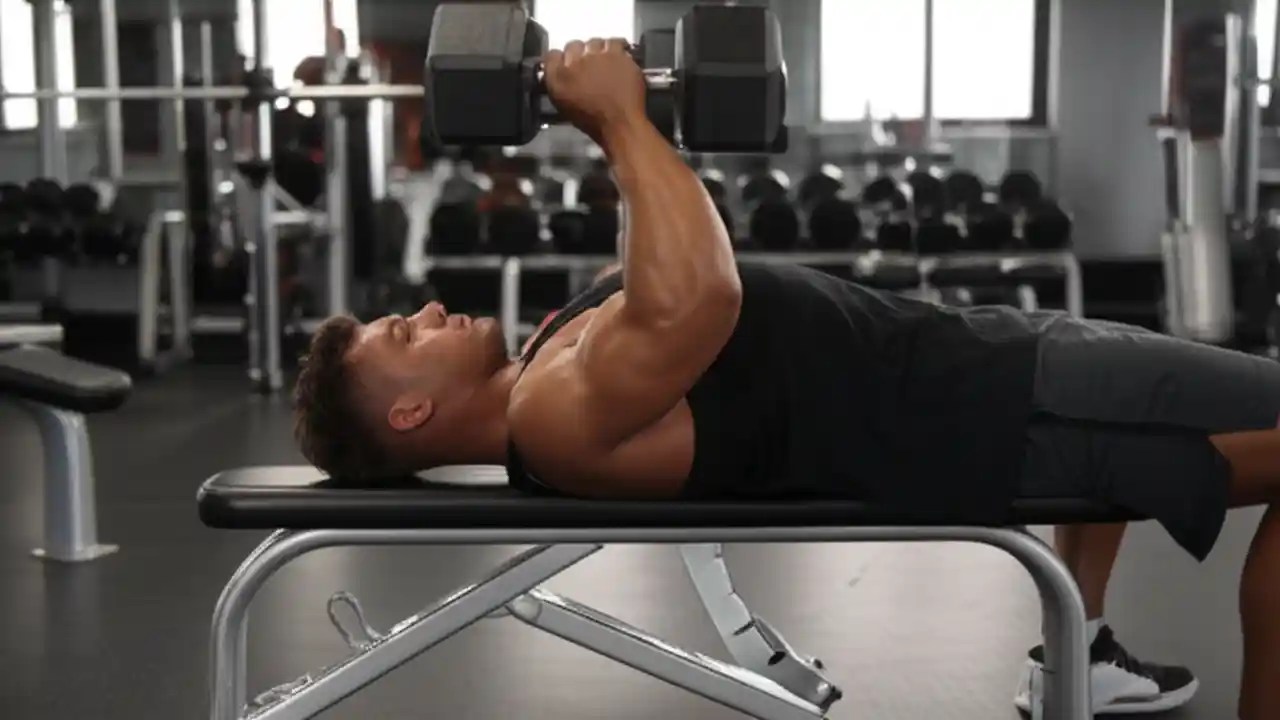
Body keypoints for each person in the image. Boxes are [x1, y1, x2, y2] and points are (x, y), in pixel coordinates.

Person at [292, 38, 1280, 720]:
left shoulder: (546, 365)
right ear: (411, 412)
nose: (428, 310)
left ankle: (1082, 654)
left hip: (989, 364)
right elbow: (697, 297)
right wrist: (617, 122)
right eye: (404, 333)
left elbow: (665, 268)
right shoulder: (550, 419)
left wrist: (623, 122)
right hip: (1006, 407)